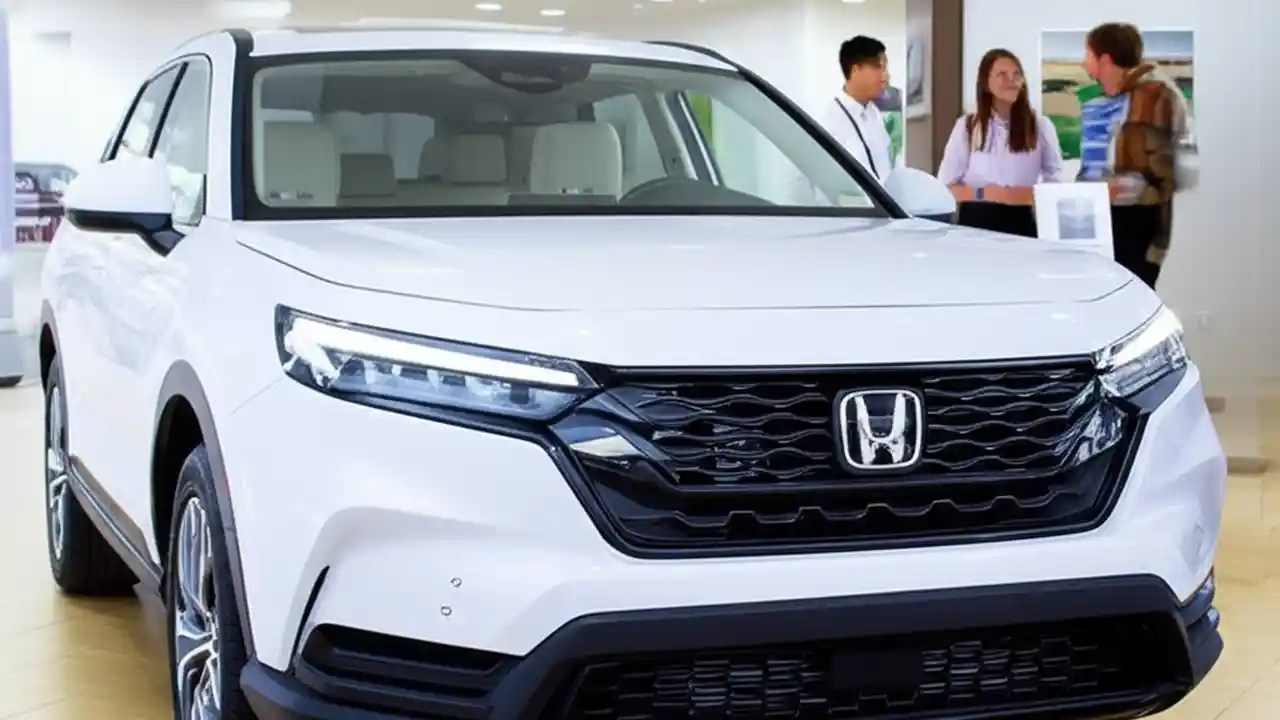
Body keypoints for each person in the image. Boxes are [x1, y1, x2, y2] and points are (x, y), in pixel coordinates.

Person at [1080, 22, 1193, 289]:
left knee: (1128, 298)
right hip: (1109, 220)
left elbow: (1170, 173)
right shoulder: (1113, 100)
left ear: (1104, 59)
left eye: (1088, 55)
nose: (1084, 64)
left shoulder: (1155, 96)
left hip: (1135, 224)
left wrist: (1116, 189)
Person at [937, 48, 1064, 237]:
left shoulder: (1040, 126)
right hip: (976, 221)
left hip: (1023, 219)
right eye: (1002, 75)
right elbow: (946, 186)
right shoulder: (968, 126)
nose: (1011, 80)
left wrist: (1032, 195)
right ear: (986, 83)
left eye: (1017, 74)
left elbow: (1056, 179)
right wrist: (990, 194)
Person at [817, 35, 895, 183]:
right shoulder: (829, 120)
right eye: (879, 67)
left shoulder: (874, 115)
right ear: (855, 71)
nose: (886, 76)